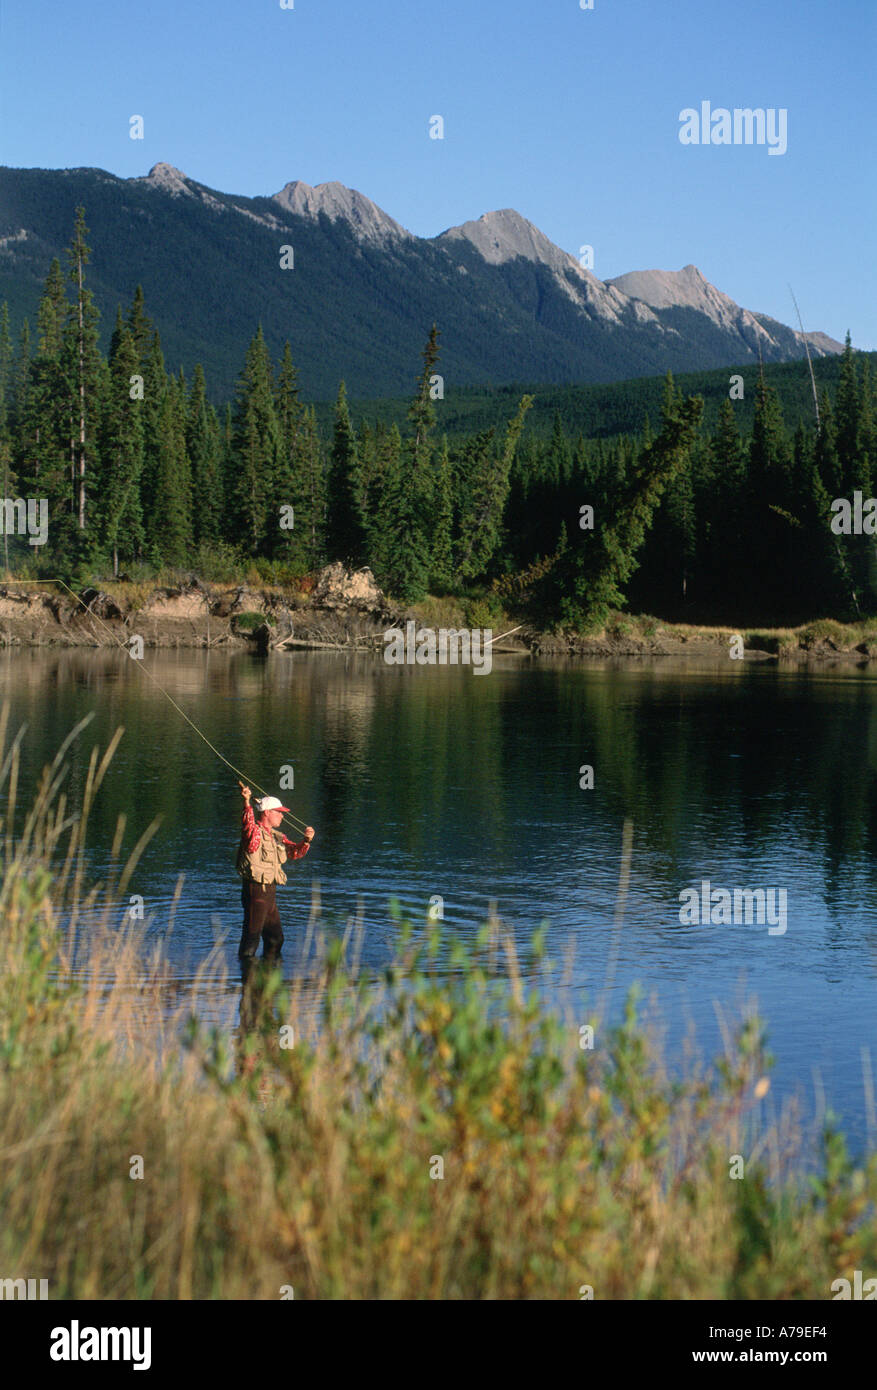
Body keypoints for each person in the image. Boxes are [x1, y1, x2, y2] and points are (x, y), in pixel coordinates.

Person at [236, 783, 314, 959]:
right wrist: (246, 802)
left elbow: (295, 852)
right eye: (278, 812)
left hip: (269, 893)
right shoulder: (254, 832)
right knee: (251, 942)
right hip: (256, 891)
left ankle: (269, 980)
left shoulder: (277, 836)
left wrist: (306, 841)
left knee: (275, 940)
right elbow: (247, 825)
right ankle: (248, 981)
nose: (282, 816)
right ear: (267, 813)